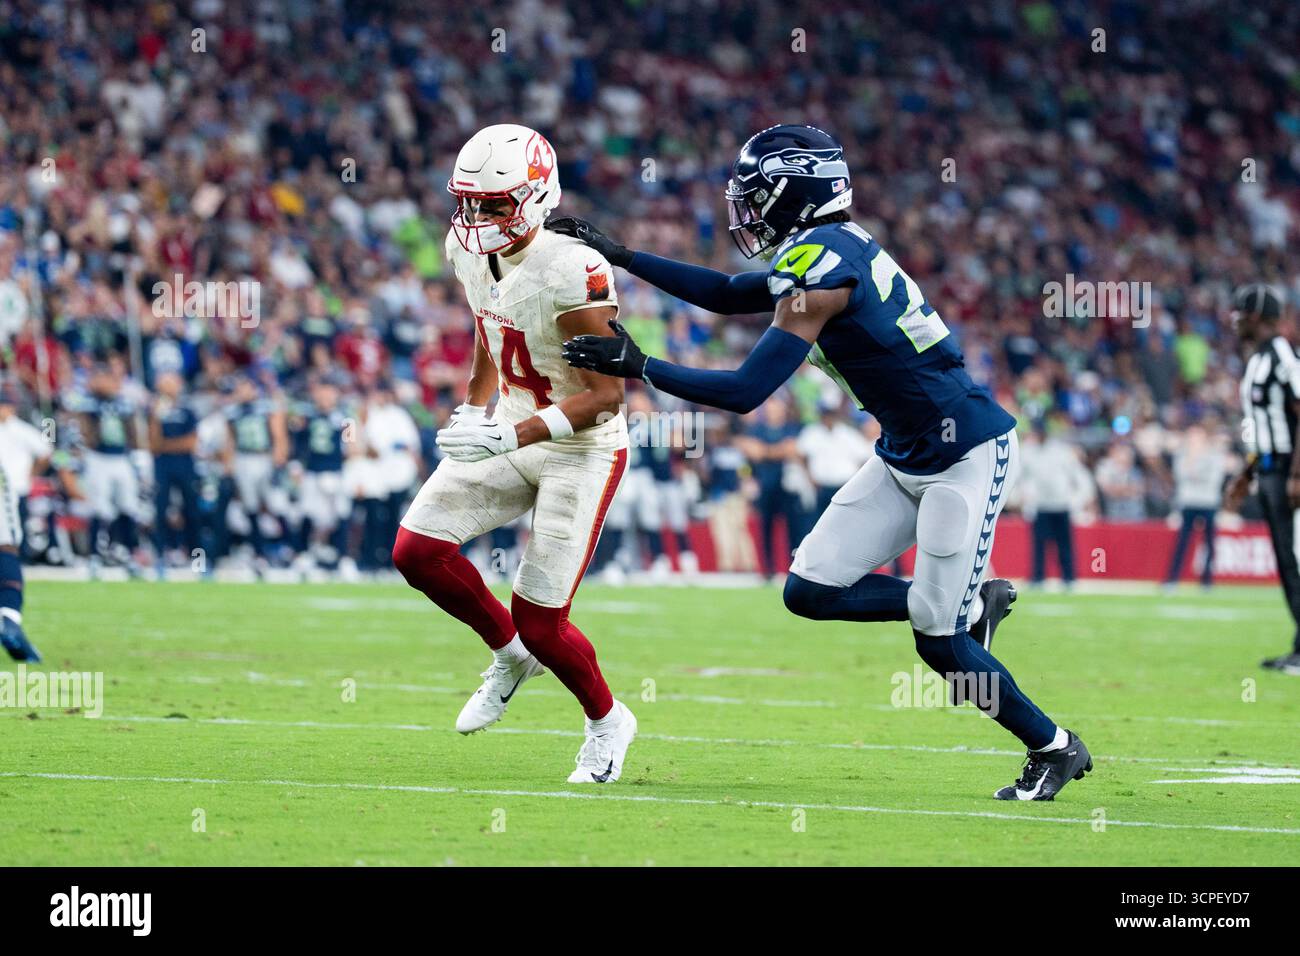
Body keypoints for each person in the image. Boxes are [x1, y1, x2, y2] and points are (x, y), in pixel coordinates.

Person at [555, 124, 1091, 800]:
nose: (746, 210)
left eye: (756, 196)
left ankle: (1054, 747)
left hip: (965, 454)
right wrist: (623, 256)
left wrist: (643, 367)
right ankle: (971, 600)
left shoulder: (822, 271)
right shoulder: (825, 248)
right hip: (903, 451)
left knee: (939, 642)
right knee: (809, 590)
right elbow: (726, 291)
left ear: (793, 193)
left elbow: (747, 392)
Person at [391, 124, 637, 783]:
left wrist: (512, 434)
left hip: (579, 449)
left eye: (492, 204)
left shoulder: (573, 269)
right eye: (468, 203)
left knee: (542, 620)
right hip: (511, 424)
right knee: (417, 552)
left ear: (533, 198)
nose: (475, 218)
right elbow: (490, 322)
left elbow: (609, 395)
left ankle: (607, 721)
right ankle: (507, 655)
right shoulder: (468, 251)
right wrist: (476, 407)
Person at [1224, 284, 1300, 674]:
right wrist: (1246, 472)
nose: (1234, 319)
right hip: (1269, 468)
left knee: (1298, 559)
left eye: (1240, 312)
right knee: (1288, 561)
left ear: (1256, 316)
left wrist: (1298, 474)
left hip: (1289, 468)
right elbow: (1257, 427)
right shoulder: (1255, 360)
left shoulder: (1283, 354)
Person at [0, 384, 51, 661]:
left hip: (14, 489)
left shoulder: (19, 430)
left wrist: (31, 476)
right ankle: (8, 619)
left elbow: (46, 450)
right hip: (3, 488)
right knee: (7, 548)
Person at [1019, 418, 1094, 588]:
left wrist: (1079, 498)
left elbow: (1079, 475)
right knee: (1039, 544)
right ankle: (1038, 577)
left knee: (1064, 544)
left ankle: (1068, 578)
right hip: (1041, 504)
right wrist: (1022, 495)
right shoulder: (1028, 452)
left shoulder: (1062, 451)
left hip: (1061, 504)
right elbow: (1020, 476)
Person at [1164, 422, 1227, 589]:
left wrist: (1195, 472)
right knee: (1182, 542)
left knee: (1209, 543)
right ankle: (1173, 578)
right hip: (1189, 502)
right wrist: (1193, 462)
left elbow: (1215, 479)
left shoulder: (1214, 454)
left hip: (1208, 502)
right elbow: (1180, 476)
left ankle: (1207, 580)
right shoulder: (1183, 454)